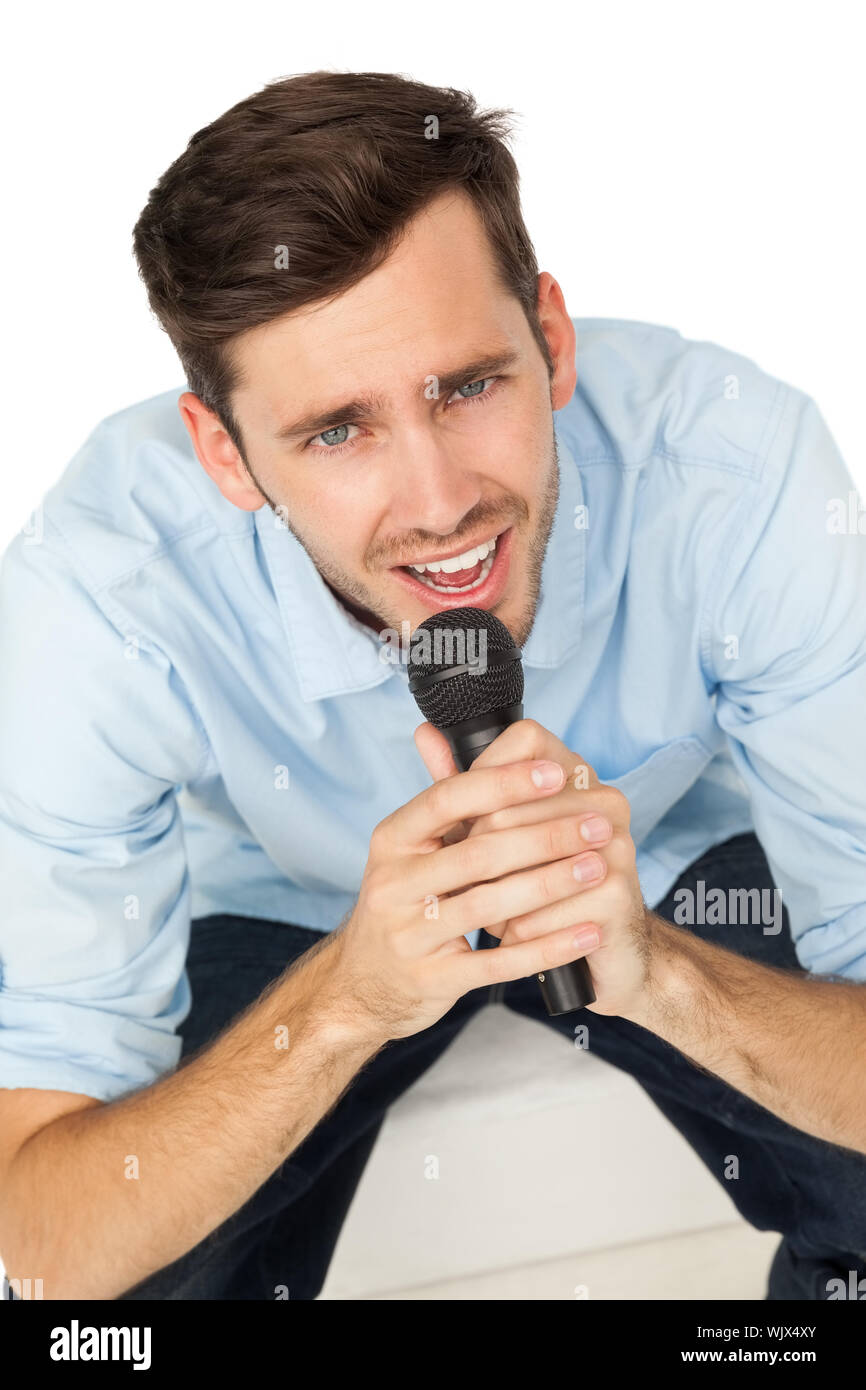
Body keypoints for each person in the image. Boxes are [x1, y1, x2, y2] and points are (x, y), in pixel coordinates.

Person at [1, 70, 865, 1303]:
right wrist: (351, 993)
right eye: (336, 431)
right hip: (291, 906)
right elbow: (41, 1235)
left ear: (549, 341)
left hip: (673, 856)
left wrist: (663, 971)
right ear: (222, 454)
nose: (441, 501)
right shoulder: (97, 591)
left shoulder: (737, 465)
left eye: (466, 386)